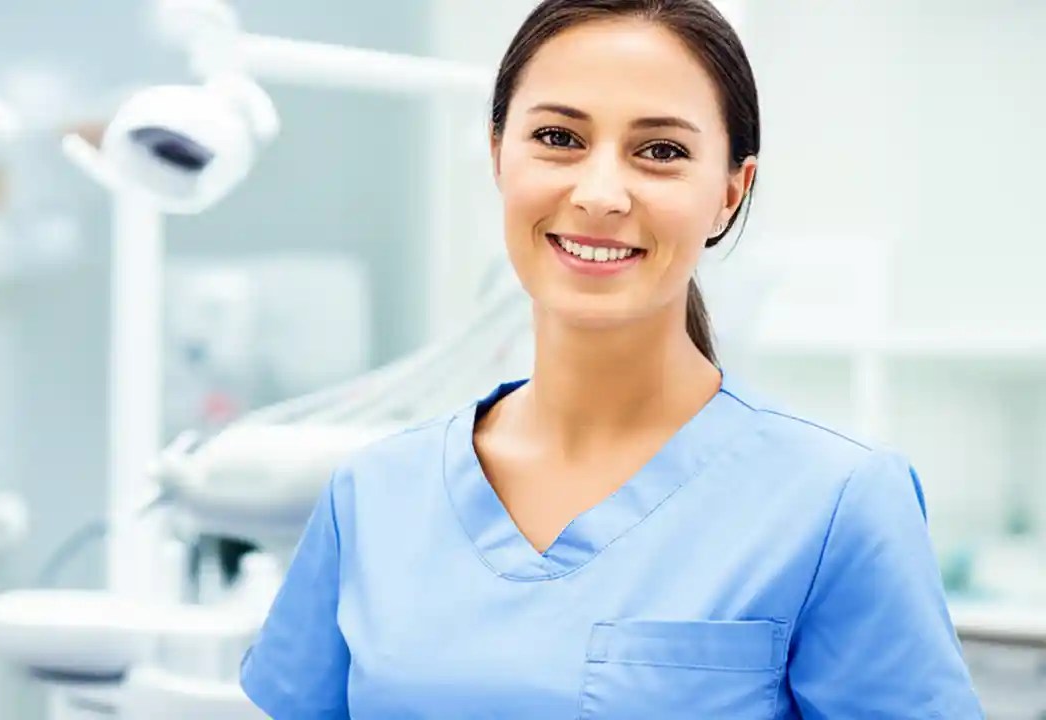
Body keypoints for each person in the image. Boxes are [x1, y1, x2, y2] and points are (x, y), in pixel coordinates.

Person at [239, 0, 985, 717]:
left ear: (731, 191)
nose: (599, 193)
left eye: (660, 151)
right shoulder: (372, 498)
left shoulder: (835, 504)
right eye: (559, 138)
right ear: (497, 155)